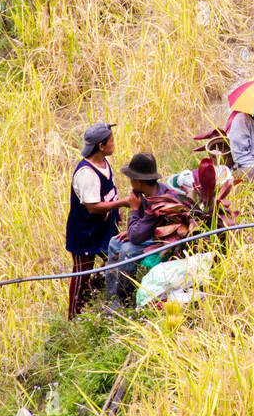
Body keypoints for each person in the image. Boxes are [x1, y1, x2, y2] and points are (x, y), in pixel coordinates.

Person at [66, 122, 132, 318]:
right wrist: (122, 203)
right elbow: (93, 207)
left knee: (111, 262)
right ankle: (75, 317)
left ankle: (99, 297)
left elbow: (108, 189)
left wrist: (115, 210)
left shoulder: (103, 162)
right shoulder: (86, 174)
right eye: (111, 141)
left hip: (104, 227)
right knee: (81, 275)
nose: (114, 143)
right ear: (101, 146)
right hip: (85, 232)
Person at [104, 152, 181, 304]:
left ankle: (122, 299)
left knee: (127, 250)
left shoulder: (157, 202)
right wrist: (133, 230)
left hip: (162, 242)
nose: (130, 180)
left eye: (132, 177)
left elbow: (136, 237)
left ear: (139, 180)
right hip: (149, 234)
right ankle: (111, 295)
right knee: (114, 242)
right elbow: (139, 228)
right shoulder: (148, 192)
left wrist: (133, 209)